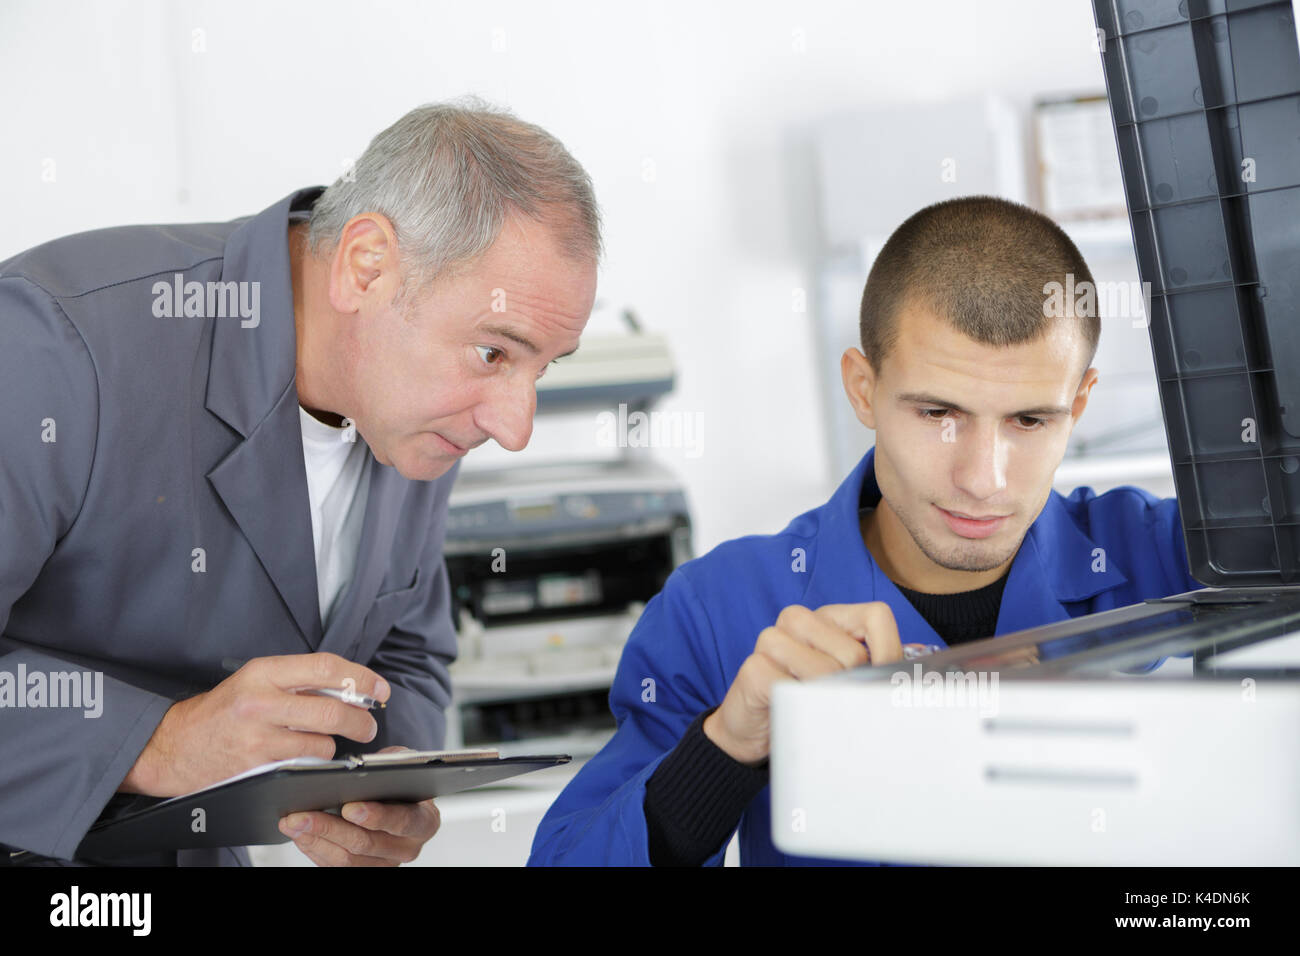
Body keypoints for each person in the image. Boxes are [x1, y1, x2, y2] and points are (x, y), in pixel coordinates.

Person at [0, 98, 600, 866]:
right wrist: (157, 743)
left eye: (543, 368)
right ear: (366, 265)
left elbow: (407, 655)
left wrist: (383, 786)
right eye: (494, 354)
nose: (515, 427)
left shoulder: (411, 412)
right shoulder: (55, 344)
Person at [528, 195, 1203, 867]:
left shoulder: (1175, 554)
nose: (984, 479)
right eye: (939, 412)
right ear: (863, 389)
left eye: (1030, 421)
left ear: (1078, 405)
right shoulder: (716, 610)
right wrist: (724, 750)